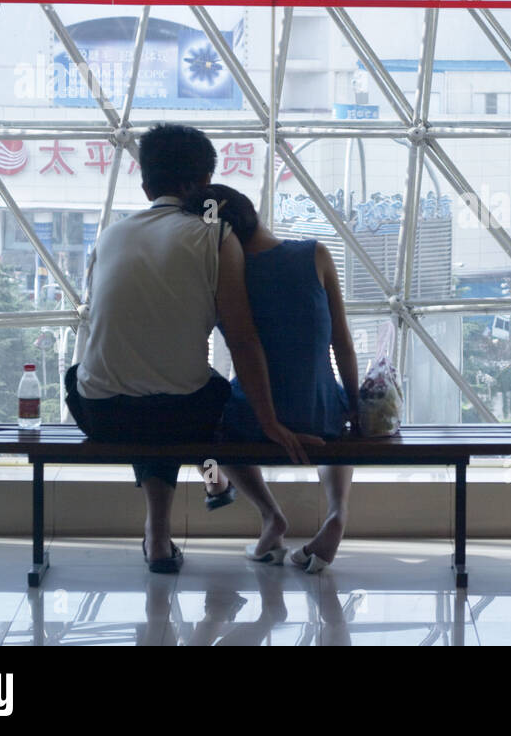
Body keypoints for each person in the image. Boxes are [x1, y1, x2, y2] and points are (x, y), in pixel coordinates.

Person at [66, 125, 320, 574]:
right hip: (178, 413)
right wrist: (270, 422)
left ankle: (160, 534)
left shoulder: (111, 234)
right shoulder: (215, 234)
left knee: (138, 393)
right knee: (190, 401)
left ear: (145, 185)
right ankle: (213, 482)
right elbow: (241, 338)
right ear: (206, 184)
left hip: (101, 413)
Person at [182, 184, 359, 573]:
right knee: (335, 411)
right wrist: (355, 409)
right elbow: (343, 343)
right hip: (321, 416)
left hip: (254, 422)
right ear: (253, 214)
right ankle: (337, 516)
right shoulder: (316, 254)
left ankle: (268, 514)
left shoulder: (223, 278)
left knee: (205, 425)